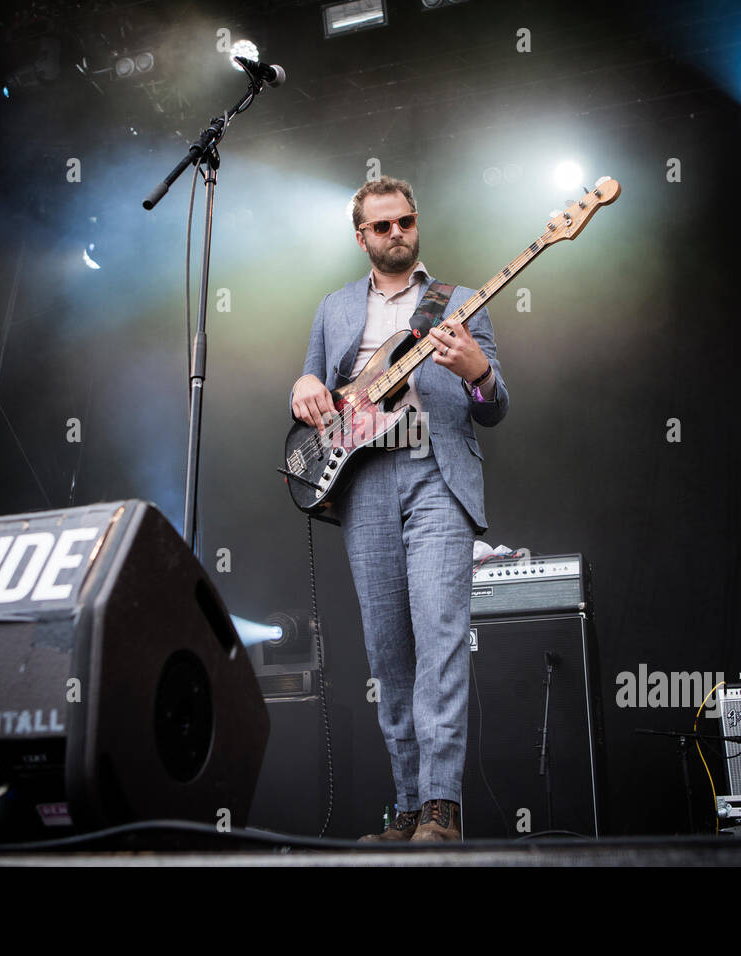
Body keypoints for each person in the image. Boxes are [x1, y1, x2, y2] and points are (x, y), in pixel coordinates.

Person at [288, 175, 509, 842]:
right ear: (362, 237)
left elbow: (495, 407)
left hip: (435, 475)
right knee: (388, 654)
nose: (396, 234)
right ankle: (408, 807)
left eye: (405, 222)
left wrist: (477, 371)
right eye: (382, 226)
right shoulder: (333, 309)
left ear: (417, 224)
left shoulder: (461, 301)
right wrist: (302, 385)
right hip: (364, 484)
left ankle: (443, 810)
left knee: (441, 637)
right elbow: (316, 402)